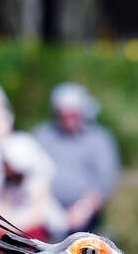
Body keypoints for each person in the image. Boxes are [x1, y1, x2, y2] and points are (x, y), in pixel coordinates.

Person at [33, 82, 120, 235]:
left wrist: (82, 210)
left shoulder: (99, 139)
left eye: (72, 114)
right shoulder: (42, 136)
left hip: (85, 212)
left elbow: (104, 181)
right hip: (44, 209)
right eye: (63, 115)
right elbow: (33, 174)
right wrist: (53, 213)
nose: (68, 120)